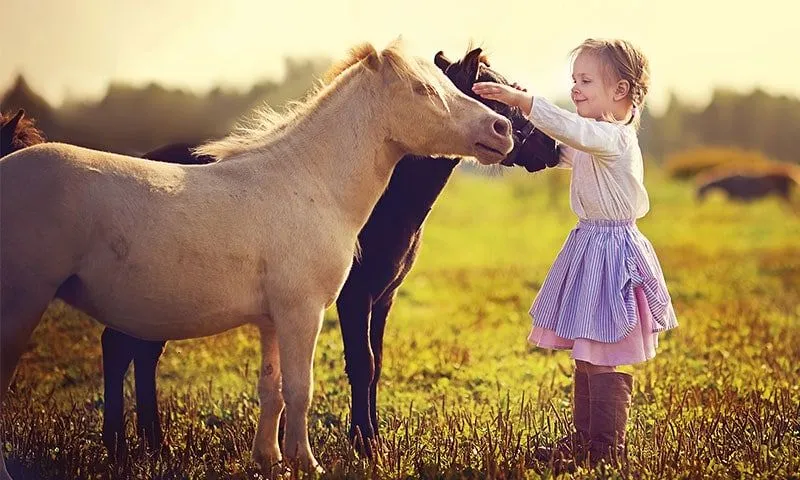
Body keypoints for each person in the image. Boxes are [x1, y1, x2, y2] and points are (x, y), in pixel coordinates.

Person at [473, 38, 678, 468]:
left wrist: (524, 101)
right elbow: (559, 147)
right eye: (574, 80)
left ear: (620, 91)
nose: (575, 88)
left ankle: (604, 449)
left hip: (611, 253)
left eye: (585, 81)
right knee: (586, 353)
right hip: (590, 246)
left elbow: (574, 131)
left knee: (602, 352)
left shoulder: (613, 139)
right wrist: (513, 125)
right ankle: (584, 440)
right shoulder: (595, 141)